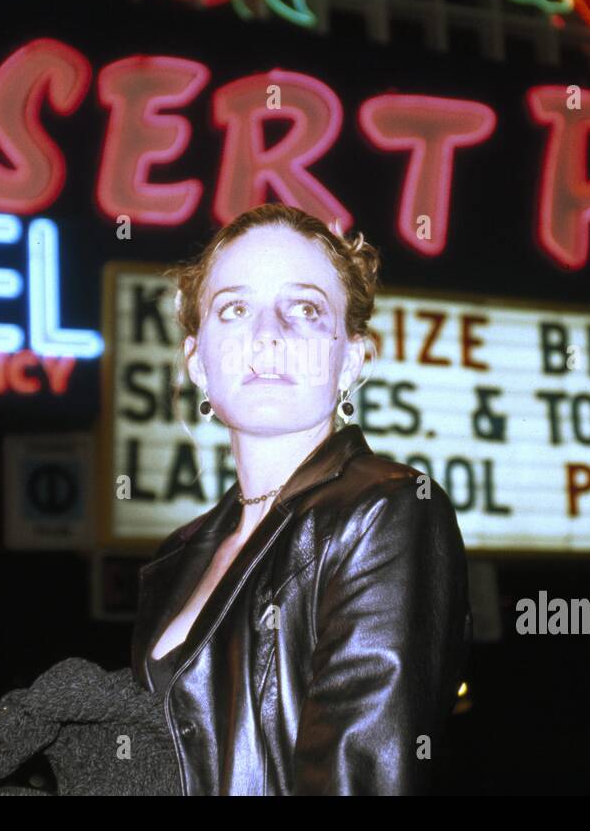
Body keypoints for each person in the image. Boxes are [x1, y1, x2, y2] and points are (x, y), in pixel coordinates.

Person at [130, 203, 471, 795]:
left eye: (306, 309)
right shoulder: (179, 555)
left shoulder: (386, 511)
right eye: (235, 309)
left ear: (352, 359)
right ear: (197, 361)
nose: (267, 334)